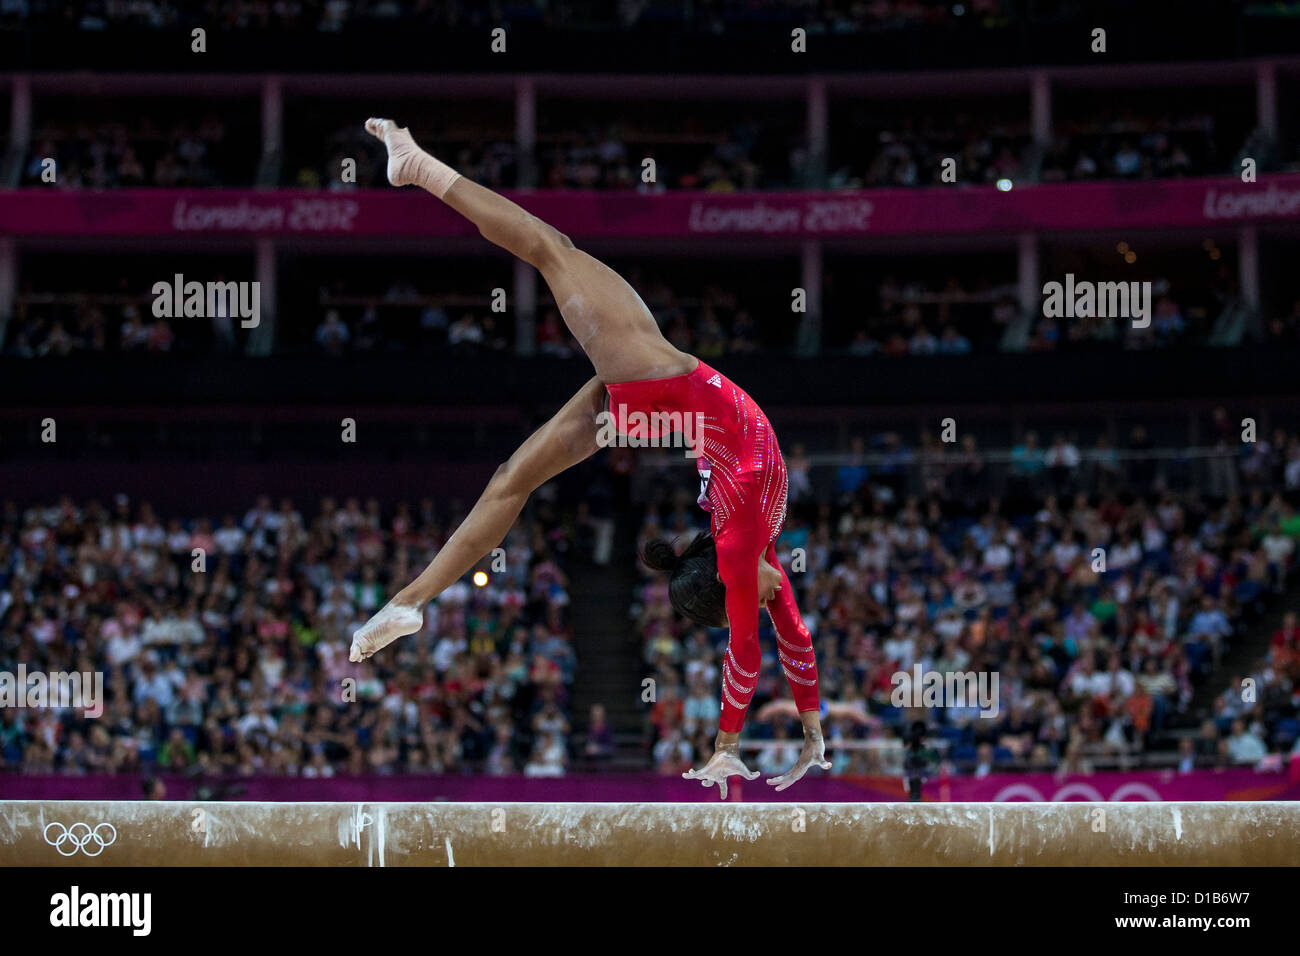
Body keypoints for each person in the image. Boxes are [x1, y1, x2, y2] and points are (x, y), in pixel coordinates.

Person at [348, 118, 829, 797]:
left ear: (731, 578)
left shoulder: (747, 541)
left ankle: (418, 168)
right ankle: (408, 602)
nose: (777, 597)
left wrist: (730, 746)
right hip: (652, 400)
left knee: (551, 248)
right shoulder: (756, 551)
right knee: (511, 479)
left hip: (655, 380)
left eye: (749, 598)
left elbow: (752, 651)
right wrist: (811, 731)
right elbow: (794, 642)